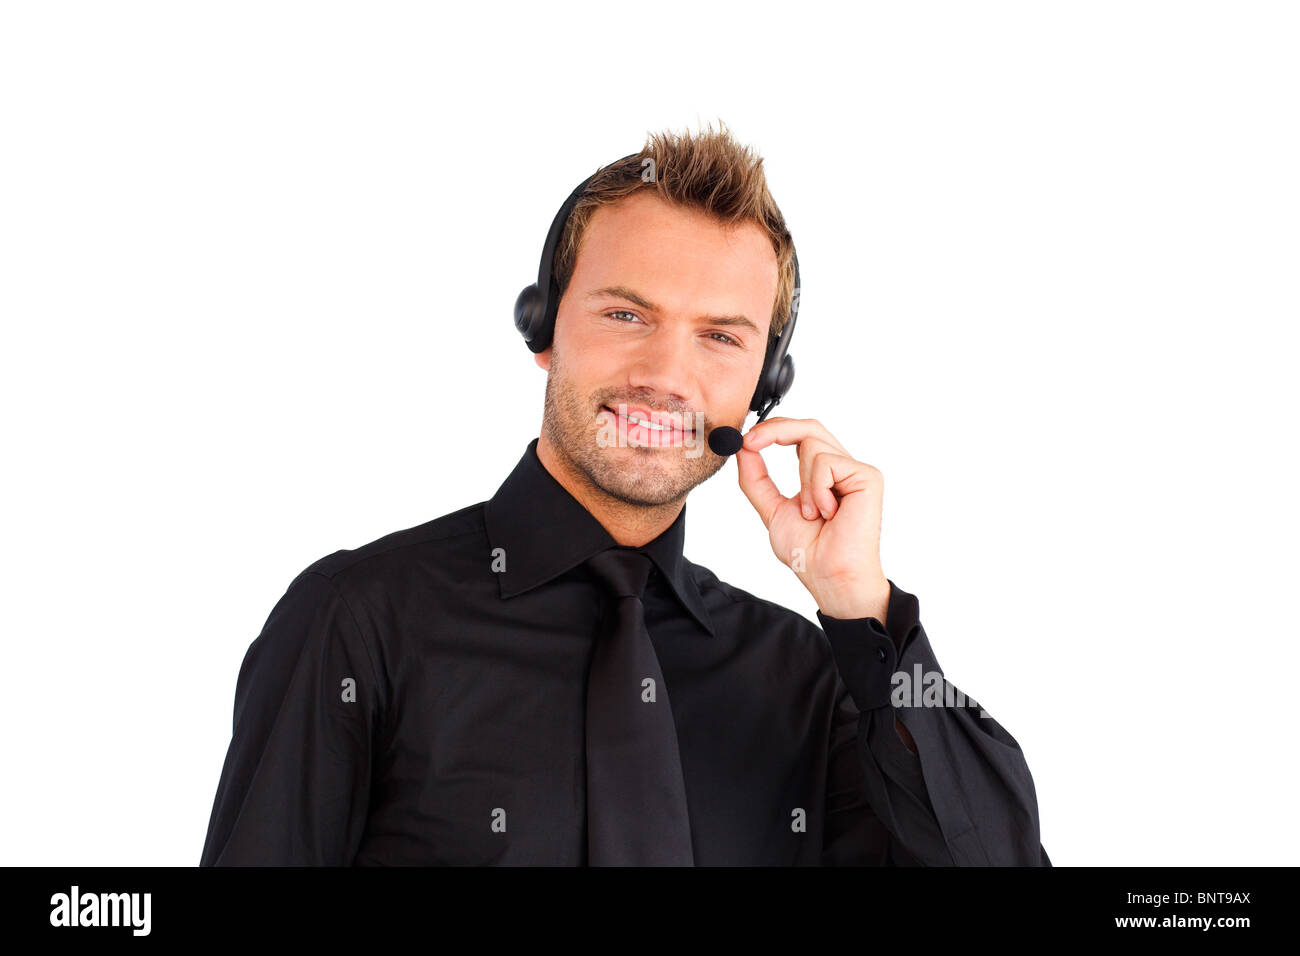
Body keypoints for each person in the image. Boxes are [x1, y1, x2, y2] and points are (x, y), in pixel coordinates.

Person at [200, 124, 1049, 866]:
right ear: (542, 329)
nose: (666, 377)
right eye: (625, 316)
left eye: (720, 337)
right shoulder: (356, 620)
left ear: (765, 388)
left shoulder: (806, 678)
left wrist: (865, 615)